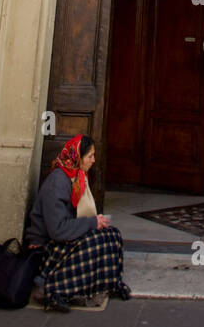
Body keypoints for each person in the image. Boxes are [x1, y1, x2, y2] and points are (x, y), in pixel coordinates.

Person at [25, 134, 131, 312]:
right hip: (47, 247)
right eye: (90, 156)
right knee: (91, 245)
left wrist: (94, 222)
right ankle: (54, 289)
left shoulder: (76, 178)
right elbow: (57, 230)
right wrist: (91, 223)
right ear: (77, 157)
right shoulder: (58, 183)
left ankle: (109, 284)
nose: (93, 160)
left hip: (64, 237)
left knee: (111, 235)